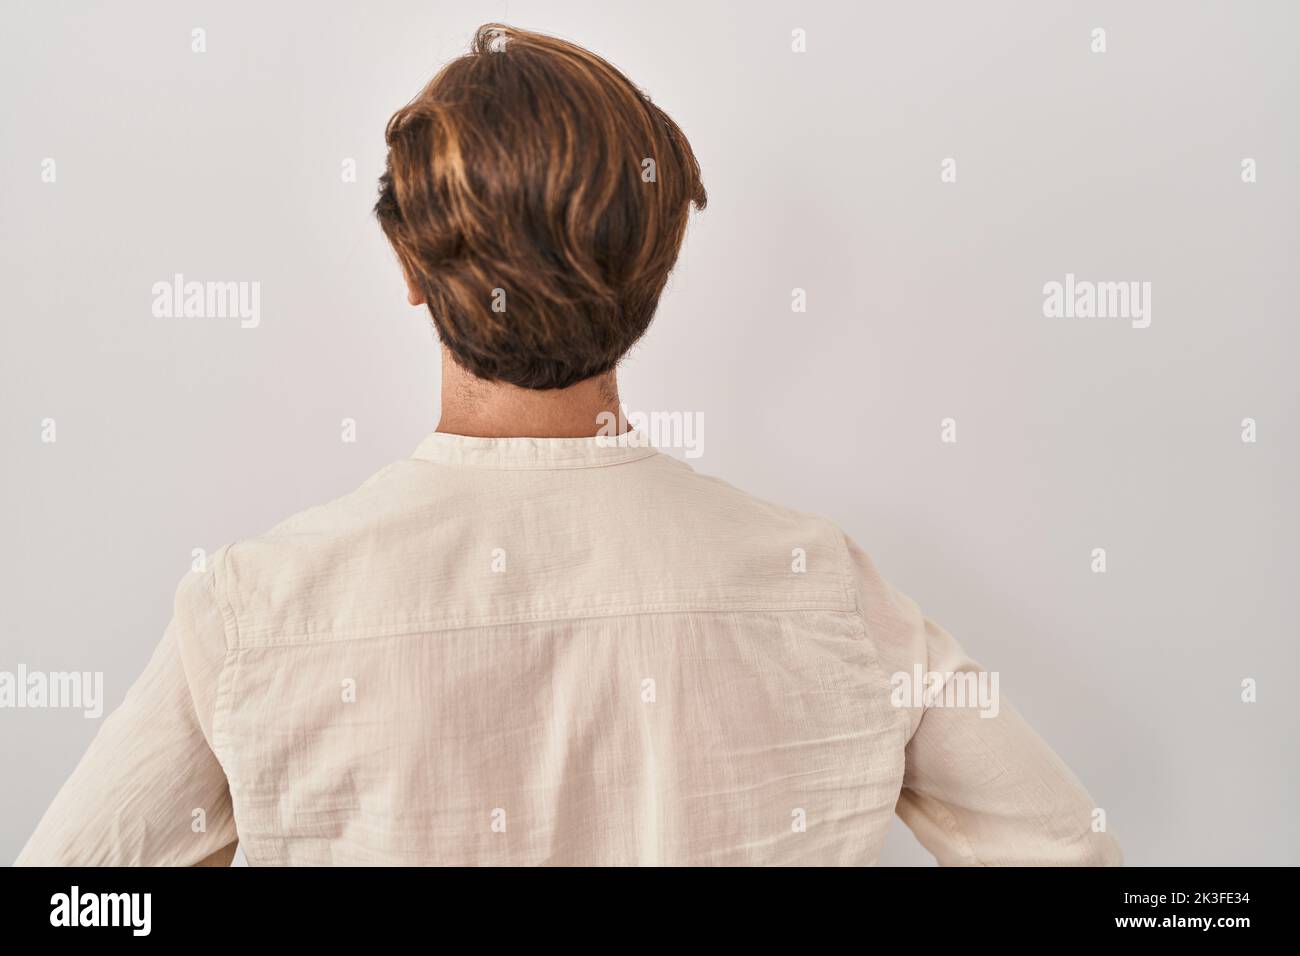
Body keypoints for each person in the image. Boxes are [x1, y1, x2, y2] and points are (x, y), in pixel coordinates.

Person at [17, 23, 1121, 866]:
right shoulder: (820, 585)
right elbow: (1078, 855)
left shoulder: (257, 608)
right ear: (654, 276)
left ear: (408, 271)